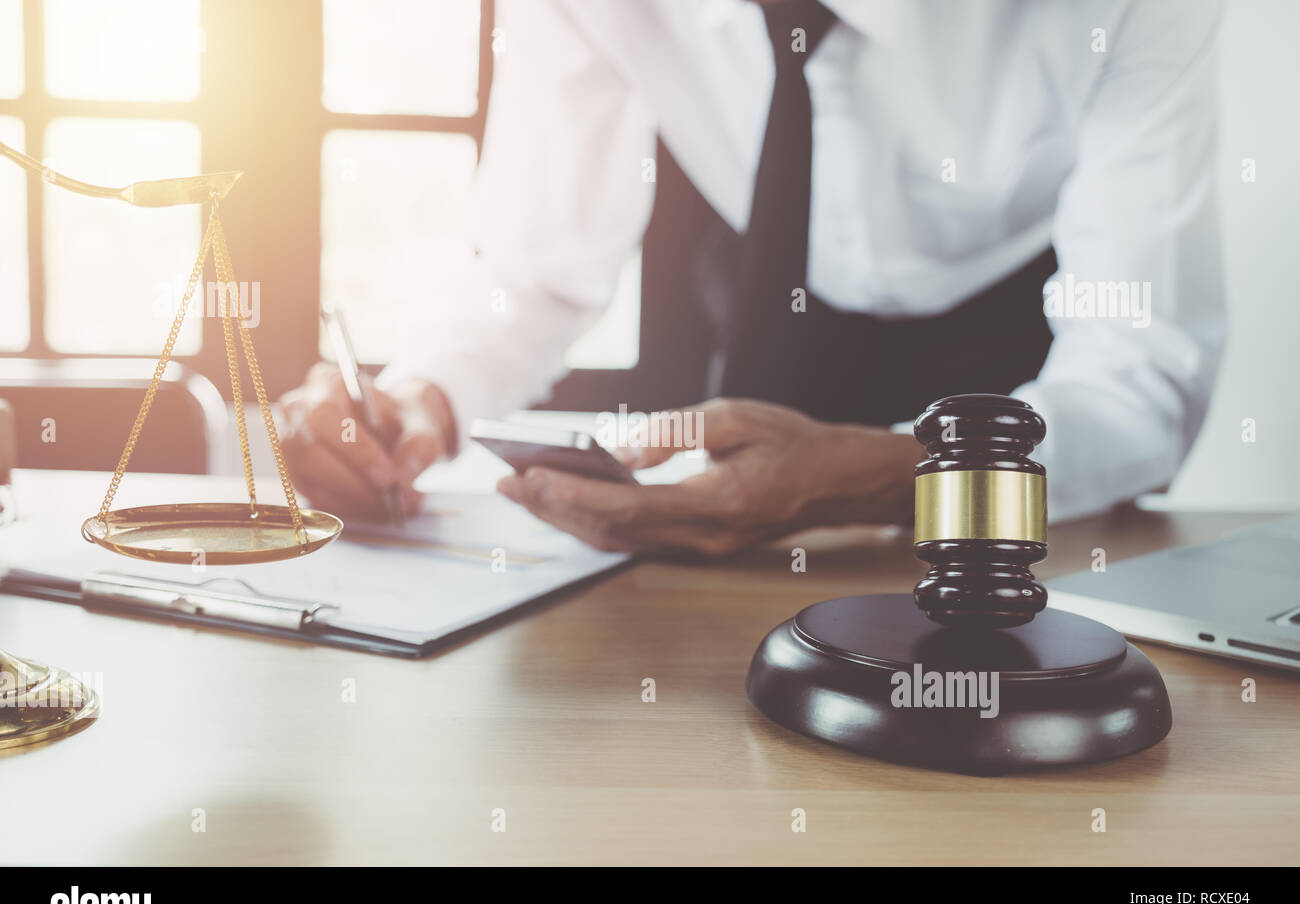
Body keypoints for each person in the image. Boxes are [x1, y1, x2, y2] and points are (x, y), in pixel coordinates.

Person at [281, 0, 1226, 555]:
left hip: (1013, 386)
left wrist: (910, 480)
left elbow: (1137, 385)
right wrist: (421, 400)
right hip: (759, 307)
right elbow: (536, 271)